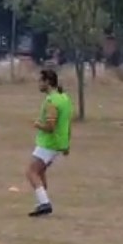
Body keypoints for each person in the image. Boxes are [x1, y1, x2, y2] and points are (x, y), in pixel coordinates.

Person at [28, 69, 73, 217]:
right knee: (40, 172)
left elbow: (50, 126)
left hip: (48, 143)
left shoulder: (51, 101)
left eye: (40, 81)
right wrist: (67, 144)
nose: (39, 84)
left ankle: (45, 204)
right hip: (59, 143)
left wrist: (37, 124)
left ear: (47, 82)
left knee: (31, 172)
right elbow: (67, 123)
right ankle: (42, 204)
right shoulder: (64, 98)